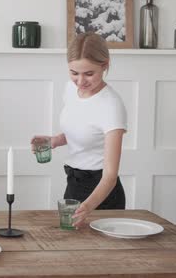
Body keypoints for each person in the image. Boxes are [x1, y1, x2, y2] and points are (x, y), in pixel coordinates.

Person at [31, 32, 127, 228]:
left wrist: (87, 207)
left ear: (105, 65)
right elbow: (82, 130)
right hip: (74, 183)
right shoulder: (70, 90)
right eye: (74, 72)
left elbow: (110, 175)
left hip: (102, 194)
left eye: (89, 74)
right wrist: (55, 140)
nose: (81, 81)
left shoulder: (112, 106)